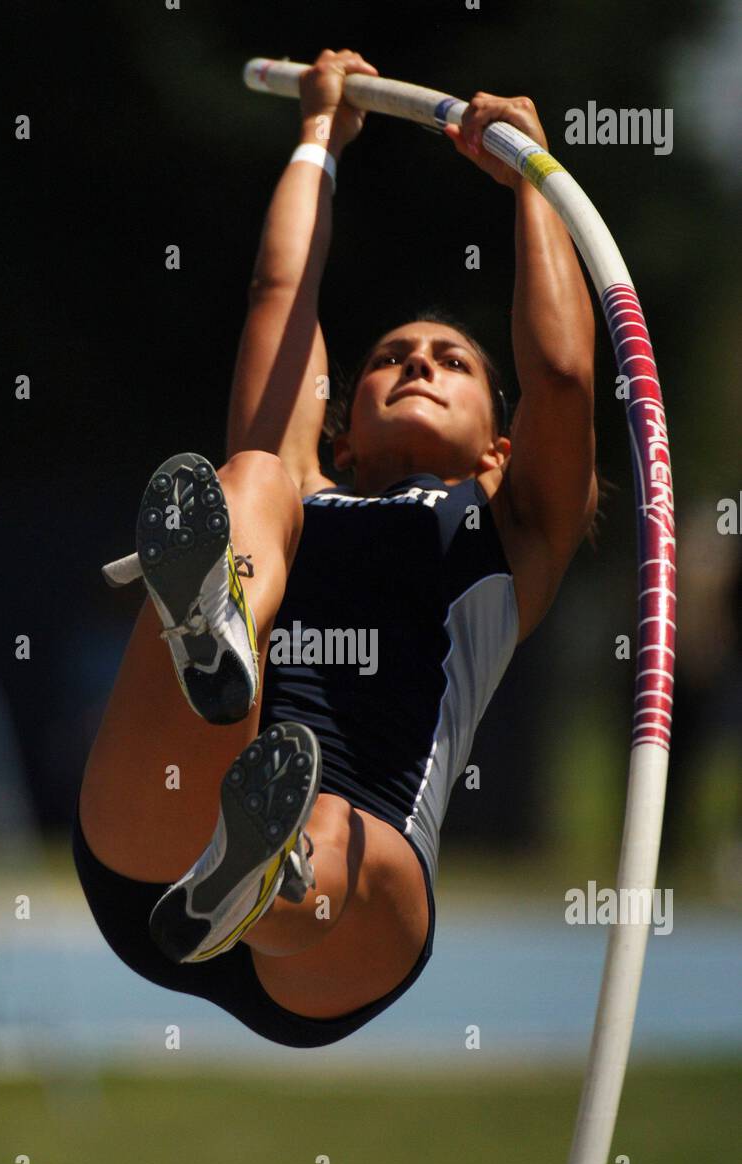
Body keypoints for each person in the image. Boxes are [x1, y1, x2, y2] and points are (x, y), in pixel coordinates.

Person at [73, 49, 597, 1049]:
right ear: (344, 427)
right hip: (162, 834)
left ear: (499, 441)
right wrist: (319, 134)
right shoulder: (305, 490)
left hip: (339, 929)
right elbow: (282, 291)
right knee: (249, 476)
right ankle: (212, 624)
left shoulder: (512, 529)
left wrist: (530, 174)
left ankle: (267, 868)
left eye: (450, 361)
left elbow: (564, 375)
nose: (418, 363)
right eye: (393, 357)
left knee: (331, 829)